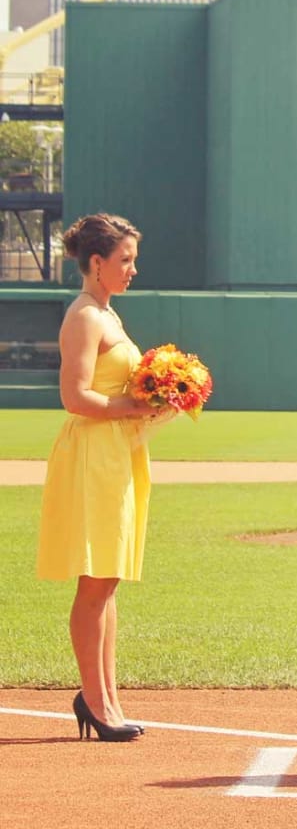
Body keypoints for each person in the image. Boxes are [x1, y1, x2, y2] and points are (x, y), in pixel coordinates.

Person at [38, 213, 162, 743]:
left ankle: (106, 696)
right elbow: (75, 397)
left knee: (108, 580)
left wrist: (158, 398)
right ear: (96, 263)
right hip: (93, 453)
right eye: (124, 260)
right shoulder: (85, 317)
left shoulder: (108, 314)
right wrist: (132, 404)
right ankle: (95, 699)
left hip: (116, 452)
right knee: (94, 582)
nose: (132, 269)